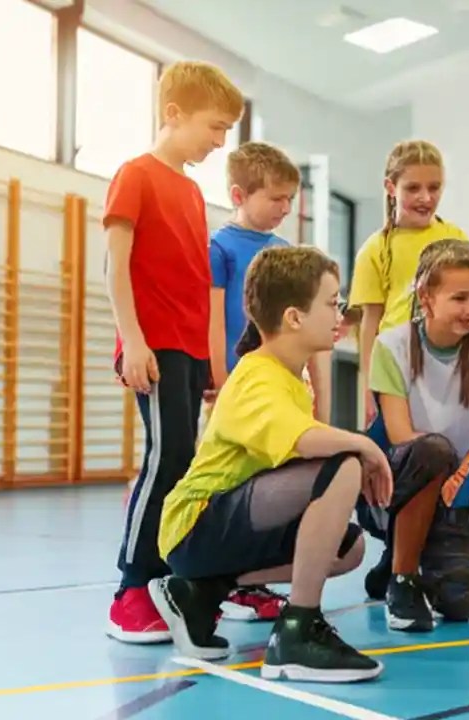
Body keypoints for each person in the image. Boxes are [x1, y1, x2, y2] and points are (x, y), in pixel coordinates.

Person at [149, 246, 392, 683]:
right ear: (294, 317)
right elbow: (304, 440)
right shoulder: (257, 375)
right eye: (332, 303)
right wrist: (366, 446)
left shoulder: (289, 376)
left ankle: (201, 590)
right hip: (194, 523)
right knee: (344, 464)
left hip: (227, 524)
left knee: (348, 547)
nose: (340, 314)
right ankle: (298, 632)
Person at [104, 60, 244, 644]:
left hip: (188, 349)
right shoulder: (135, 175)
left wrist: (209, 360)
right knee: (166, 457)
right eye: (214, 127)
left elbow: (193, 282)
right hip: (154, 345)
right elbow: (115, 267)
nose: (219, 141)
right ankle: (130, 589)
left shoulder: (190, 191)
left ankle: (167, 580)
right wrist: (133, 341)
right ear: (174, 113)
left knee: (186, 463)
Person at [349, 140, 469, 594]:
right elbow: (370, 321)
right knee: (394, 466)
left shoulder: (454, 237)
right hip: (393, 375)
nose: (425, 197)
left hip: (441, 372)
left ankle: (421, 556)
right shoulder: (377, 248)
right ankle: (395, 552)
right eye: (413, 188)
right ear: (391, 187)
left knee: (437, 461)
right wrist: (369, 386)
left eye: (434, 187)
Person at [368, 239, 469, 630]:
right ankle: (401, 577)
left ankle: (404, 551)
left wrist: (466, 480)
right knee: (432, 450)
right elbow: (401, 435)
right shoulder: (391, 346)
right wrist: (451, 472)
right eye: (459, 298)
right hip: (401, 481)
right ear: (426, 298)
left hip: (453, 488)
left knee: (458, 604)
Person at [205, 141, 308, 623]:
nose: (285, 208)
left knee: (268, 485)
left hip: (277, 387)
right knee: (233, 484)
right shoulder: (220, 248)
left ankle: (252, 581)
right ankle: (223, 582)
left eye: (290, 199)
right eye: (276, 198)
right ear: (238, 195)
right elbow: (213, 319)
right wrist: (219, 378)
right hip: (236, 386)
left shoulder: (284, 253)